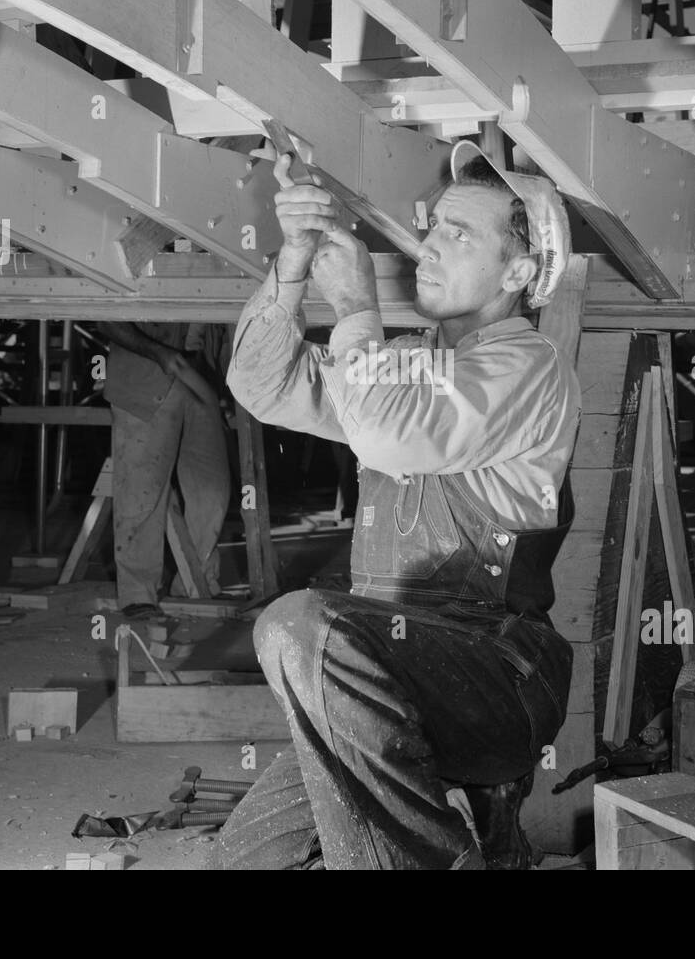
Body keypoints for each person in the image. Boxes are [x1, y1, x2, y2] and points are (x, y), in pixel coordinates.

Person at [213, 140, 581, 869]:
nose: (429, 248)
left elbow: (386, 433)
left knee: (298, 627)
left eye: (459, 234)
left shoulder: (528, 367)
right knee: (243, 862)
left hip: (494, 676)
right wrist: (293, 264)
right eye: (434, 227)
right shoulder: (406, 360)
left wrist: (354, 305)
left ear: (519, 270)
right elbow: (261, 385)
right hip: (384, 678)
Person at [99, 321, 231, 618]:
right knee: (141, 492)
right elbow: (106, 320)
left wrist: (224, 384)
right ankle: (137, 593)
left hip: (199, 379)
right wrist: (158, 352)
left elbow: (221, 331)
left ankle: (194, 582)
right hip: (144, 380)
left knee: (213, 490)